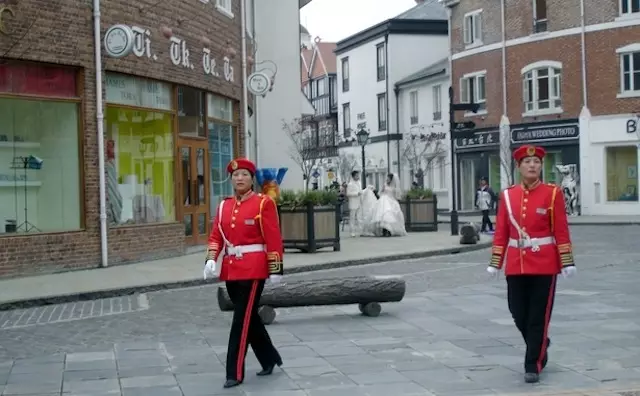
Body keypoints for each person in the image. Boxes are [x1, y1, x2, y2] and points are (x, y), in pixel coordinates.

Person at [487, 145, 577, 384]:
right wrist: (496, 262)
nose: (532, 166)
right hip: (517, 264)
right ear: (519, 167)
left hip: (545, 263)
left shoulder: (553, 193)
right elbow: (501, 232)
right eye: (527, 162)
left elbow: (561, 229)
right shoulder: (508, 196)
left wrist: (566, 260)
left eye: (536, 162)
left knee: (538, 317)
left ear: (541, 166)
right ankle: (541, 343)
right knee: (517, 312)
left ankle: (532, 364)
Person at [203, 158, 284, 389]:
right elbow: (216, 236)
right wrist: (211, 258)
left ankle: (234, 372)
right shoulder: (223, 206)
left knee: (240, 321)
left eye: (244, 175)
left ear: (251, 179)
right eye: (236, 175)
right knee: (250, 318)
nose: (239, 178)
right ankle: (270, 358)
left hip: (254, 268)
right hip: (231, 268)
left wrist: (275, 267)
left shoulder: (263, 203)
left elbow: (273, 237)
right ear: (231, 179)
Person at [346, 171, 363, 237]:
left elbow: (360, 191)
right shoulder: (350, 184)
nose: (358, 177)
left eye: (358, 175)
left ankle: (361, 231)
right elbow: (348, 193)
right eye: (356, 176)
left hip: (359, 202)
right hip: (353, 202)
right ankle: (352, 232)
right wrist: (356, 194)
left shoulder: (359, 183)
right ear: (353, 176)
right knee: (352, 218)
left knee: (359, 217)